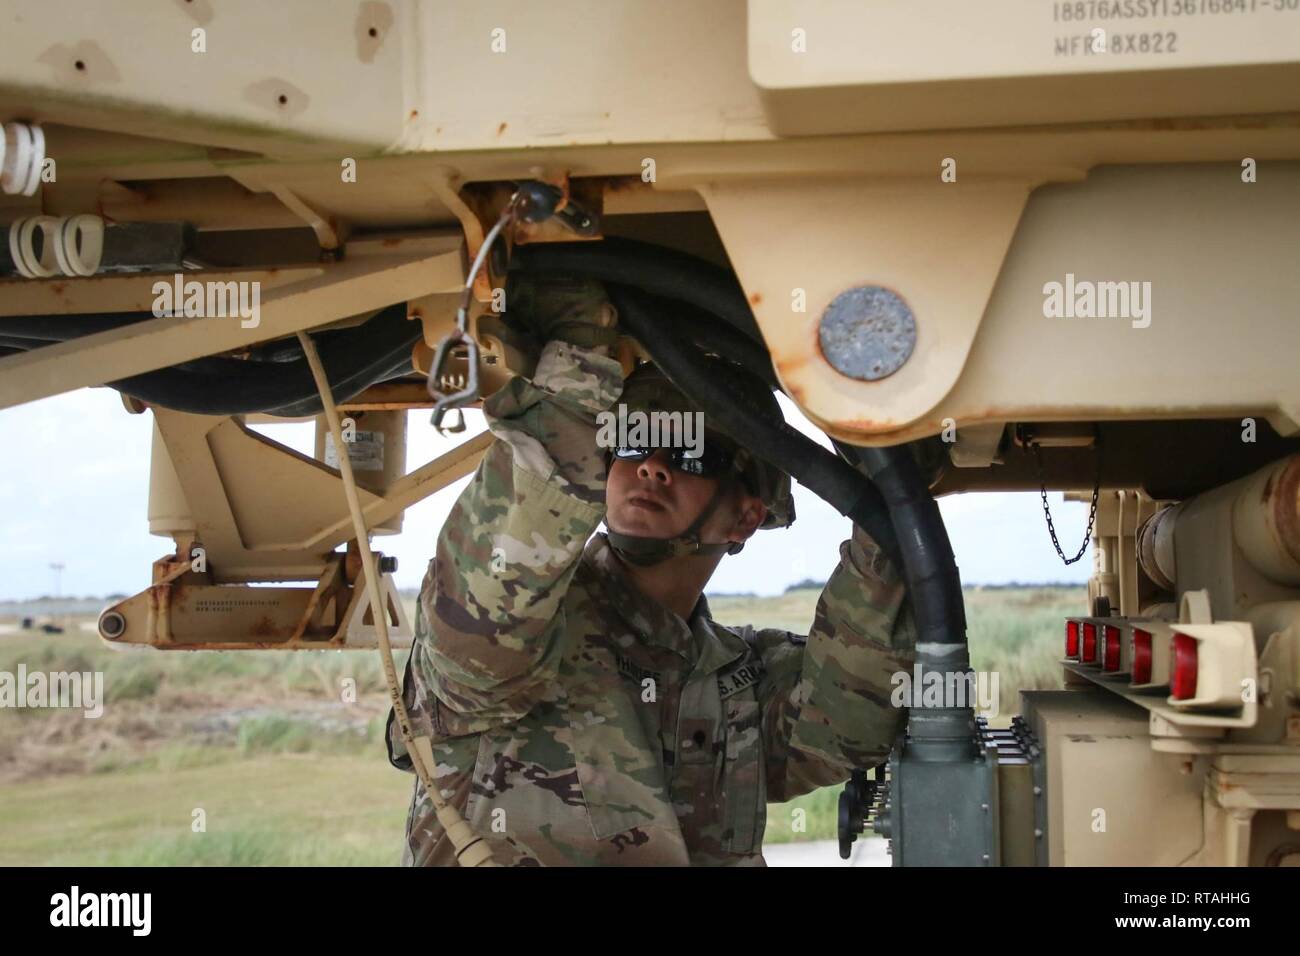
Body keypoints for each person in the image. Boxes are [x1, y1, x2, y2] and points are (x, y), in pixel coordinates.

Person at [388, 275, 917, 866]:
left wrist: (887, 508)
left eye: (692, 454)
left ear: (745, 517)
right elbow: (483, 623)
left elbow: (844, 729)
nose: (652, 468)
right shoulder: (531, 630)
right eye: (633, 443)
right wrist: (574, 374)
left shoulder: (739, 679)